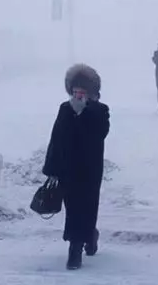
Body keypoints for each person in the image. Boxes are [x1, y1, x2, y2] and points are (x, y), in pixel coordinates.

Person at [42, 63, 111, 270]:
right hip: (68, 170)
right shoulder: (65, 109)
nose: (78, 96)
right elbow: (56, 139)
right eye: (75, 91)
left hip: (90, 170)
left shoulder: (100, 111)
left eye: (82, 92)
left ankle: (86, 241)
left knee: (88, 207)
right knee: (73, 209)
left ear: (91, 93)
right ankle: (77, 247)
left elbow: (99, 134)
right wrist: (52, 169)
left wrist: (84, 114)